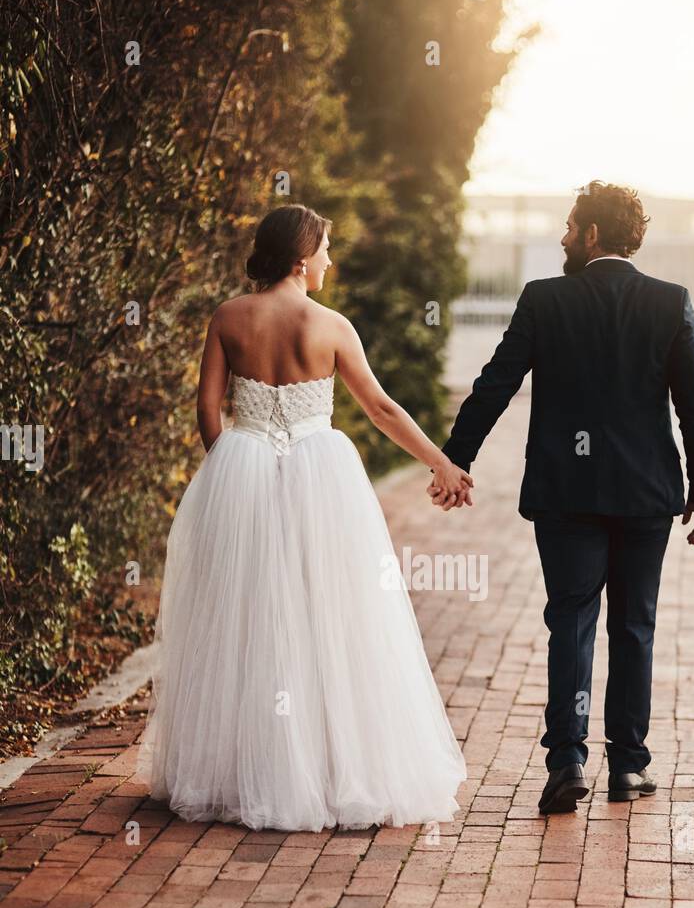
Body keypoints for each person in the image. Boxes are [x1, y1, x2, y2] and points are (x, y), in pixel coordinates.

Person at [137, 204, 468, 832]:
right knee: (335, 616)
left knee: (245, 617)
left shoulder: (229, 317)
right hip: (325, 476)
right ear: (300, 260)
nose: (329, 262)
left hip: (244, 468)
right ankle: (332, 767)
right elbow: (381, 408)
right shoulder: (332, 325)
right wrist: (441, 464)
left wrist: (233, 468)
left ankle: (242, 767)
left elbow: (209, 408)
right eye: (324, 251)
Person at [431, 181, 694, 813]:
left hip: (566, 493)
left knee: (571, 622)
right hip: (646, 495)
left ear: (591, 235)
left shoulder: (546, 299)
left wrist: (456, 458)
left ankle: (567, 760)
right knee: (634, 627)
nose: (563, 237)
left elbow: (496, 382)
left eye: (570, 226)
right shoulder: (669, 303)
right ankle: (628, 766)